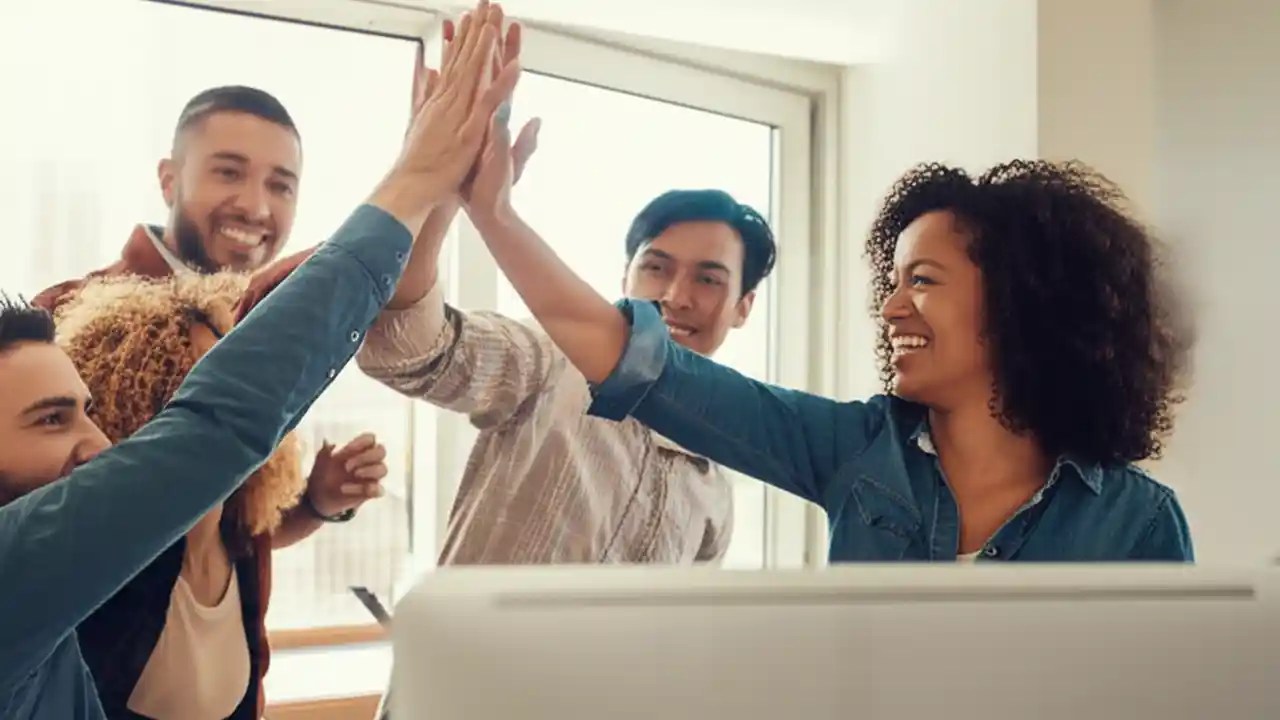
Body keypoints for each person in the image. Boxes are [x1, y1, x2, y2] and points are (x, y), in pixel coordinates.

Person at [0, 4, 518, 717]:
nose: (255, 204)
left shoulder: (240, 317)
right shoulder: (71, 324)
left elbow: (224, 521)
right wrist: (418, 182)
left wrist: (313, 504)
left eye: (281, 183)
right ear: (167, 178)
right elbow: (208, 438)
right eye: (229, 172)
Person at [460, 127, 1195, 562]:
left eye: (924, 280)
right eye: (894, 279)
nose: (891, 304)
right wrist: (493, 213)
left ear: (1020, 301)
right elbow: (636, 360)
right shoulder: (852, 449)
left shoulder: (1139, 522)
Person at [54, 273, 384, 719]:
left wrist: (315, 504)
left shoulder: (239, 538)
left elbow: (268, 530)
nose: (228, 410)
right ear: (134, 411)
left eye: (235, 386)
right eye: (193, 397)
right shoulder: (103, 575)